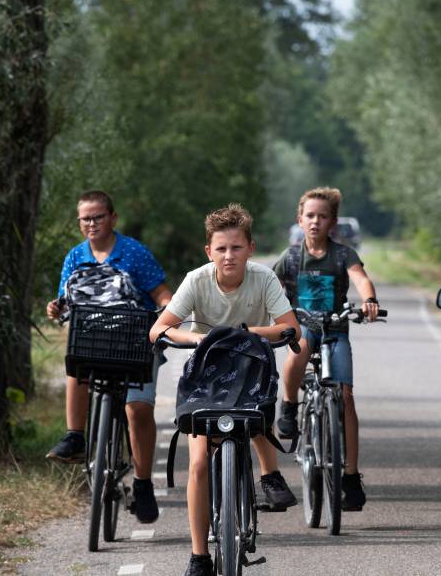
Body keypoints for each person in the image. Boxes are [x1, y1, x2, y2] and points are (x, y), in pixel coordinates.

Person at [148, 204, 300, 576]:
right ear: (209, 252)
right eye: (221, 248)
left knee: (258, 412)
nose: (229, 255)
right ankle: (199, 555)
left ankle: (270, 475)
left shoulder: (263, 278)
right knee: (199, 462)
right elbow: (159, 329)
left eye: (236, 247)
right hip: (207, 373)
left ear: (250, 248)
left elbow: (289, 327)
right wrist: (197, 338)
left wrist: (244, 334)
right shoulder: (196, 280)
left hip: (251, 366)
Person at [45, 190, 173, 525]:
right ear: (79, 222)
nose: (92, 223)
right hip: (94, 340)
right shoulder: (75, 256)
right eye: (85, 219)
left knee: (137, 408)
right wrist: (55, 309)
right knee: (75, 362)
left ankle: (142, 484)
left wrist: (165, 313)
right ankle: (75, 435)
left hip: (133, 341)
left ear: (113, 218)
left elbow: (162, 293)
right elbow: (66, 301)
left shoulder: (134, 252)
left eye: (98, 217)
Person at [272, 187, 379, 511]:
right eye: (310, 216)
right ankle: (289, 406)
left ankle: (351, 476)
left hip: (335, 330)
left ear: (332, 222)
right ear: (300, 220)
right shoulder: (291, 257)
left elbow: (360, 278)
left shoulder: (343, 254)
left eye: (322, 216)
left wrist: (369, 300)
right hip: (303, 325)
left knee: (345, 397)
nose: (315, 221)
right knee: (300, 347)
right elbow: (270, 287)